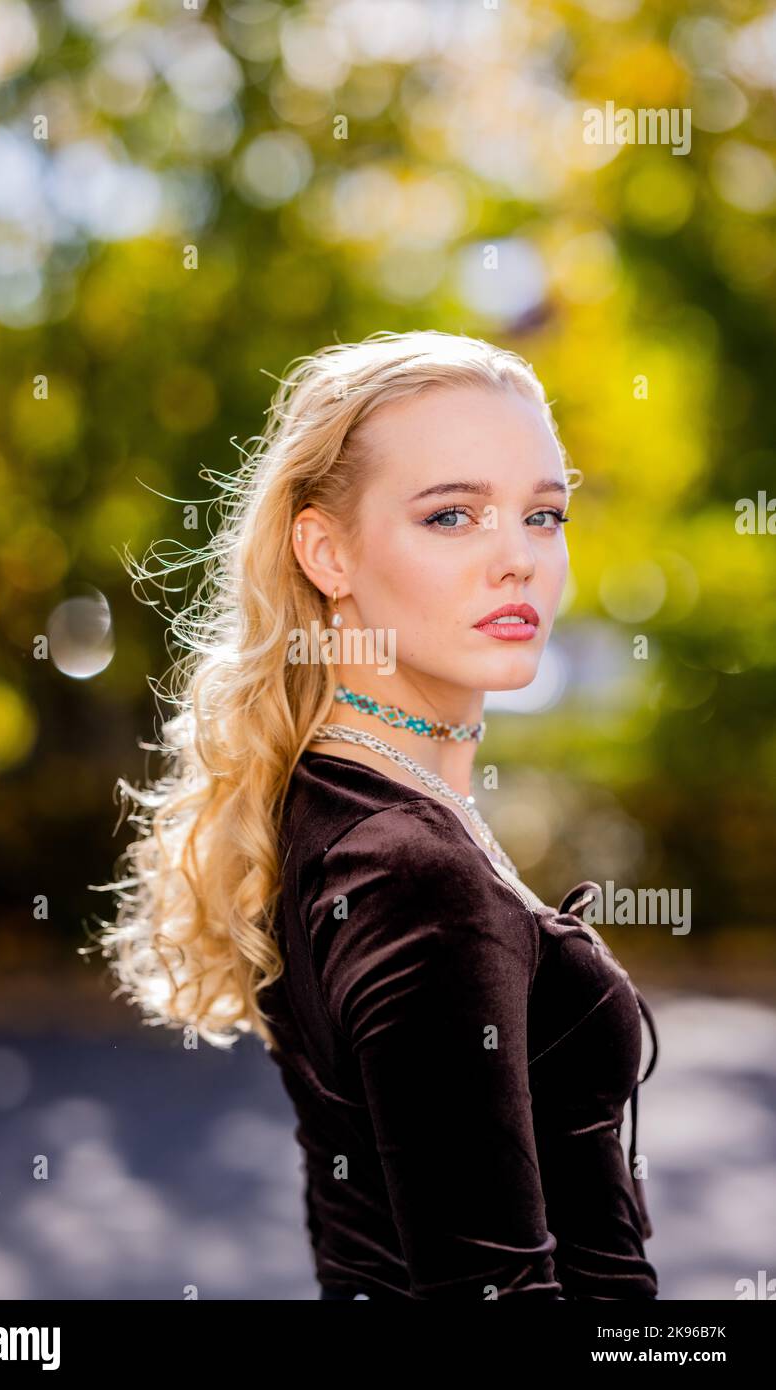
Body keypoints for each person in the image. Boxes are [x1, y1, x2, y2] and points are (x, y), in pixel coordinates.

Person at [97, 329, 659, 1301]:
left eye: (543, 513)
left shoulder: (338, 794)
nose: (518, 559)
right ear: (326, 550)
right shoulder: (410, 868)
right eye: (452, 516)